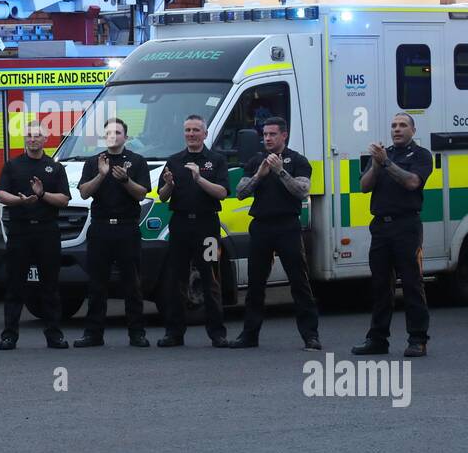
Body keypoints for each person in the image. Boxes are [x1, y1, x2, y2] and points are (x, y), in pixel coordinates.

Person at [231, 117, 320, 350]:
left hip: (287, 226)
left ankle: (311, 336)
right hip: (261, 226)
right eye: (265, 134)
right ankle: (249, 335)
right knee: (255, 284)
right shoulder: (256, 160)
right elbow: (240, 192)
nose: (267, 138)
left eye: (272, 134)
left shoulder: (298, 160)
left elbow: (302, 191)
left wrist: (280, 172)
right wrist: (260, 175)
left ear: (284, 135)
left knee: (299, 282)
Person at [352, 113, 433, 357]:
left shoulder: (420, 155)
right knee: (380, 285)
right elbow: (364, 186)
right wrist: (377, 165)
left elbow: (412, 183)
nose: (397, 130)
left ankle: (418, 339)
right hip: (381, 227)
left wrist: (386, 163)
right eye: (393, 125)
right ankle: (378, 339)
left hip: (406, 226)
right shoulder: (383, 154)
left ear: (413, 129)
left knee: (411, 283)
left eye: (402, 125)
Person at [75, 117, 152, 348]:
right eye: (108, 132)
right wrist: (101, 175)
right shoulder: (93, 162)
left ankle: (137, 333)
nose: (113, 136)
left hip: (127, 228)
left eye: (117, 132)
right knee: (97, 284)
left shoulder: (137, 161)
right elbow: (84, 194)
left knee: (132, 283)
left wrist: (125, 180)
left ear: (125, 137)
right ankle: (93, 334)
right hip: (100, 228)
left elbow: (141, 194)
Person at [0, 122, 71, 350]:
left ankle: (54, 335)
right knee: (15, 286)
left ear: (45, 139)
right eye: (29, 135)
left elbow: (64, 199)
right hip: (20, 231)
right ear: (24, 139)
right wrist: (21, 201)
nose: (33, 139)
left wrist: (43, 194)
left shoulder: (54, 168)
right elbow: (0, 194)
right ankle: (9, 335)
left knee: (50, 286)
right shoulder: (13, 166)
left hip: (47, 231)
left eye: (37, 135)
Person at [157, 115, 231, 348]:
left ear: (205, 134)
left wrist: (199, 178)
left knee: (210, 278)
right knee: (176, 280)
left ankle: (217, 334)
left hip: (206, 226)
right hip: (179, 226)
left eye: (196, 130)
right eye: (188, 130)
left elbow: (222, 193)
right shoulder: (174, 160)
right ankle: (174, 333)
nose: (191, 134)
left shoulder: (216, 160)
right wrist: (168, 183)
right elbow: (162, 196)